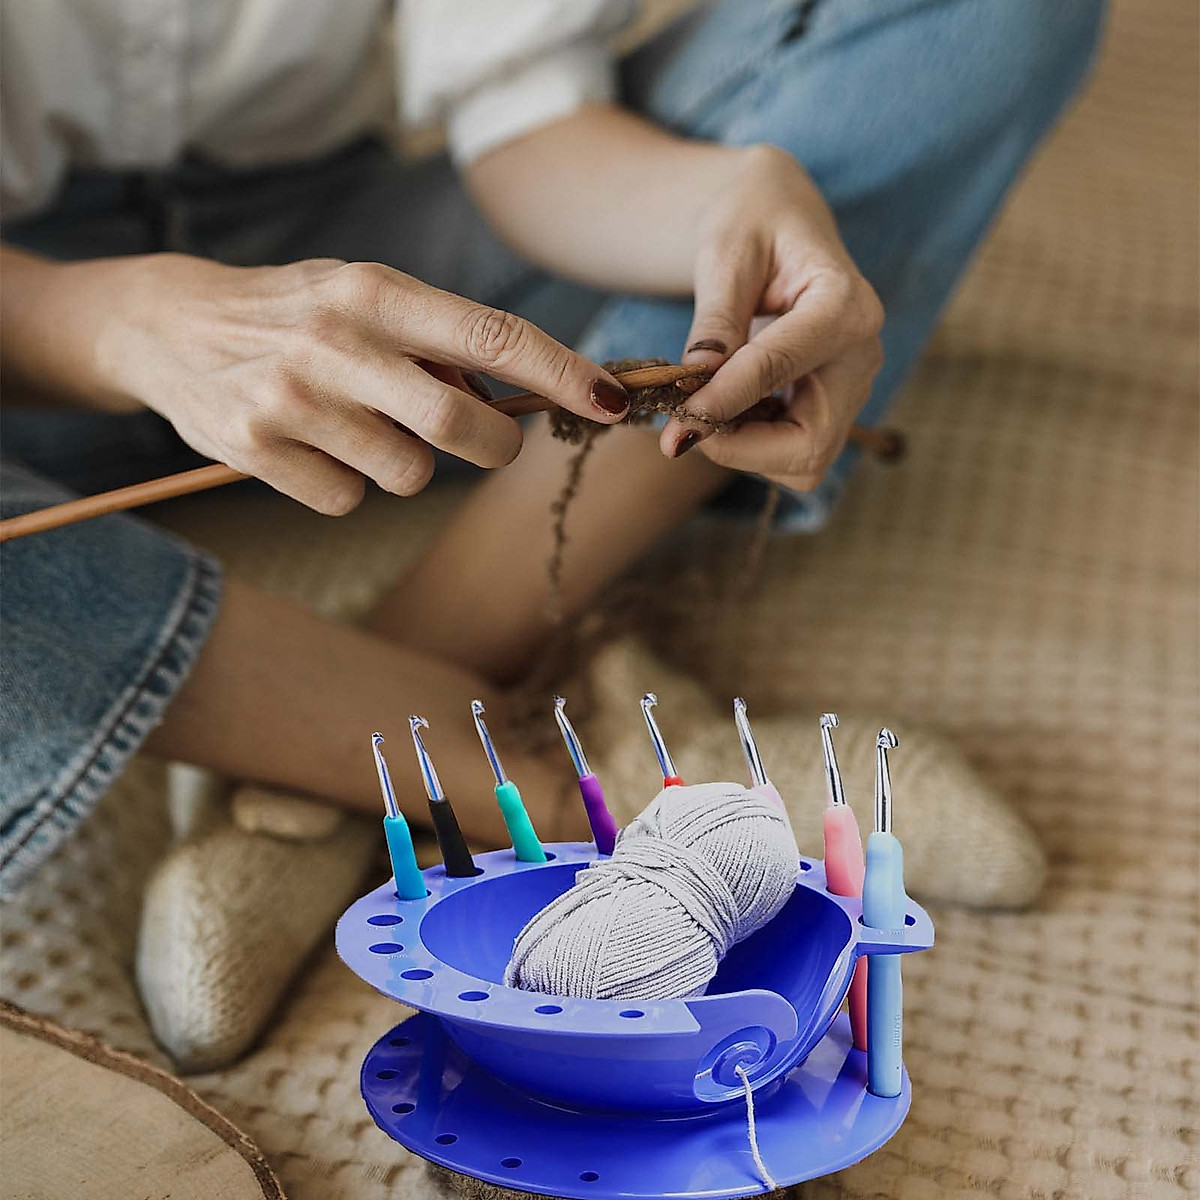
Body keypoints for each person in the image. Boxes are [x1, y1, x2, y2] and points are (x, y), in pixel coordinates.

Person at [0, 0, 1104, 901]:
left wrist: (722, 203)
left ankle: (411, 678)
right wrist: (108, 322)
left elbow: (523, 115)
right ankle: (516, 762)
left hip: (340, 241)